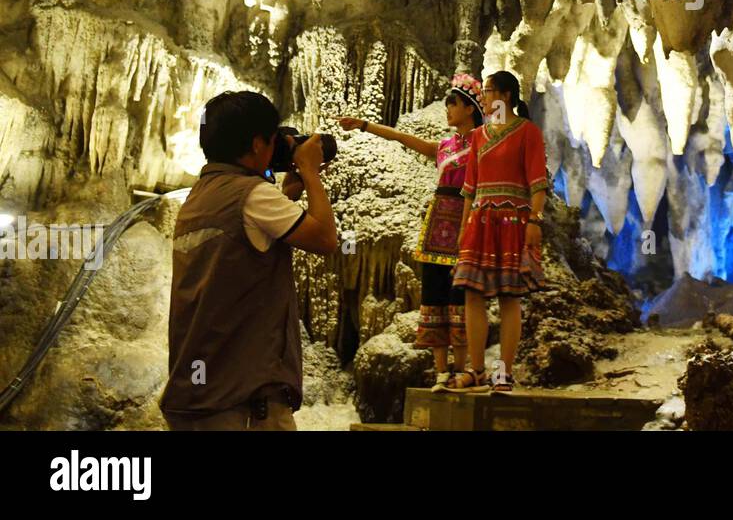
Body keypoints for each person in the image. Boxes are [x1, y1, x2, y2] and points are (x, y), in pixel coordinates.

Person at [161, 91, 338, 431]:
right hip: (243, 400)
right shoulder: (253, 195)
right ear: (258, 145)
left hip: (200, 392)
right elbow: (326, 239)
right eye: (273, 141)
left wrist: (288, 193)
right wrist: (311, 172)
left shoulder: (199, 198)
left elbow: (248, 231)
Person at [338, 74, 484, 386]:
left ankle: (463, 369)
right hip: (438, 220)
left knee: (459, 293)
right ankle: (441, 370)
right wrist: (364, 125)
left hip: (467, 220)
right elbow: (400, 138)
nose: (448, 110)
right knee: (434, 291)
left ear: (470, 109)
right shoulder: (444, 147)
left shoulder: (485, 144)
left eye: (453, 104)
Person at [446, 70, 549, 393]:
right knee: (472, 293)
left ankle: (503, 371)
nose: (484, 98)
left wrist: (535, 220)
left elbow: (538, 183)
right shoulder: (479, 136)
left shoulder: (527, 133)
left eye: (488, 91)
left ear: (505, 96)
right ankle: (476, 370)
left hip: (513, 221)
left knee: (508, 296)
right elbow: (469, 187)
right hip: (480, 220)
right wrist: (463, 226)